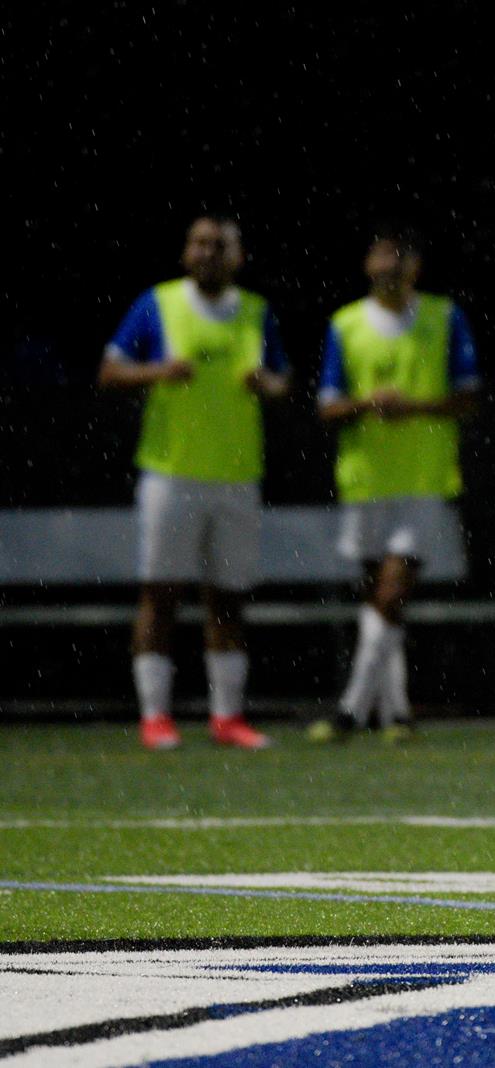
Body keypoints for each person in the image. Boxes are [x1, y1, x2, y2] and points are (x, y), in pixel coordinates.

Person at [99, 215, 289, 751]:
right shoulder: (157, 304)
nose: (208, 253)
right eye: (200, 243)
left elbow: (282, 382)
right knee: (160, 595)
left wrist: (267, 383)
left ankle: (227, 717)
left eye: (219, 245)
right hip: (171, 474)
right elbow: (110, 371)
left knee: (228, 599)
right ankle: (155, 716)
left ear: (237, 256)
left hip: (236, 476)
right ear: (186, 252)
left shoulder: (255, 311)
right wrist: (156, 372)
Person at [309, 223, 479, 744]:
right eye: (383, 255)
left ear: (415, 267)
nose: (391, 265)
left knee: (388, 596)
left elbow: (469, 397)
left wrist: (414, 406)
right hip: (365, 482)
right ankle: (398, 713)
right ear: (368, 265)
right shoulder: (346, 323)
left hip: (423, 481)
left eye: (401, 256)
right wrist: (367, 404)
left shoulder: (444, 317)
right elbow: (327, 405)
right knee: (380, 607)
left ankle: (350, 710)